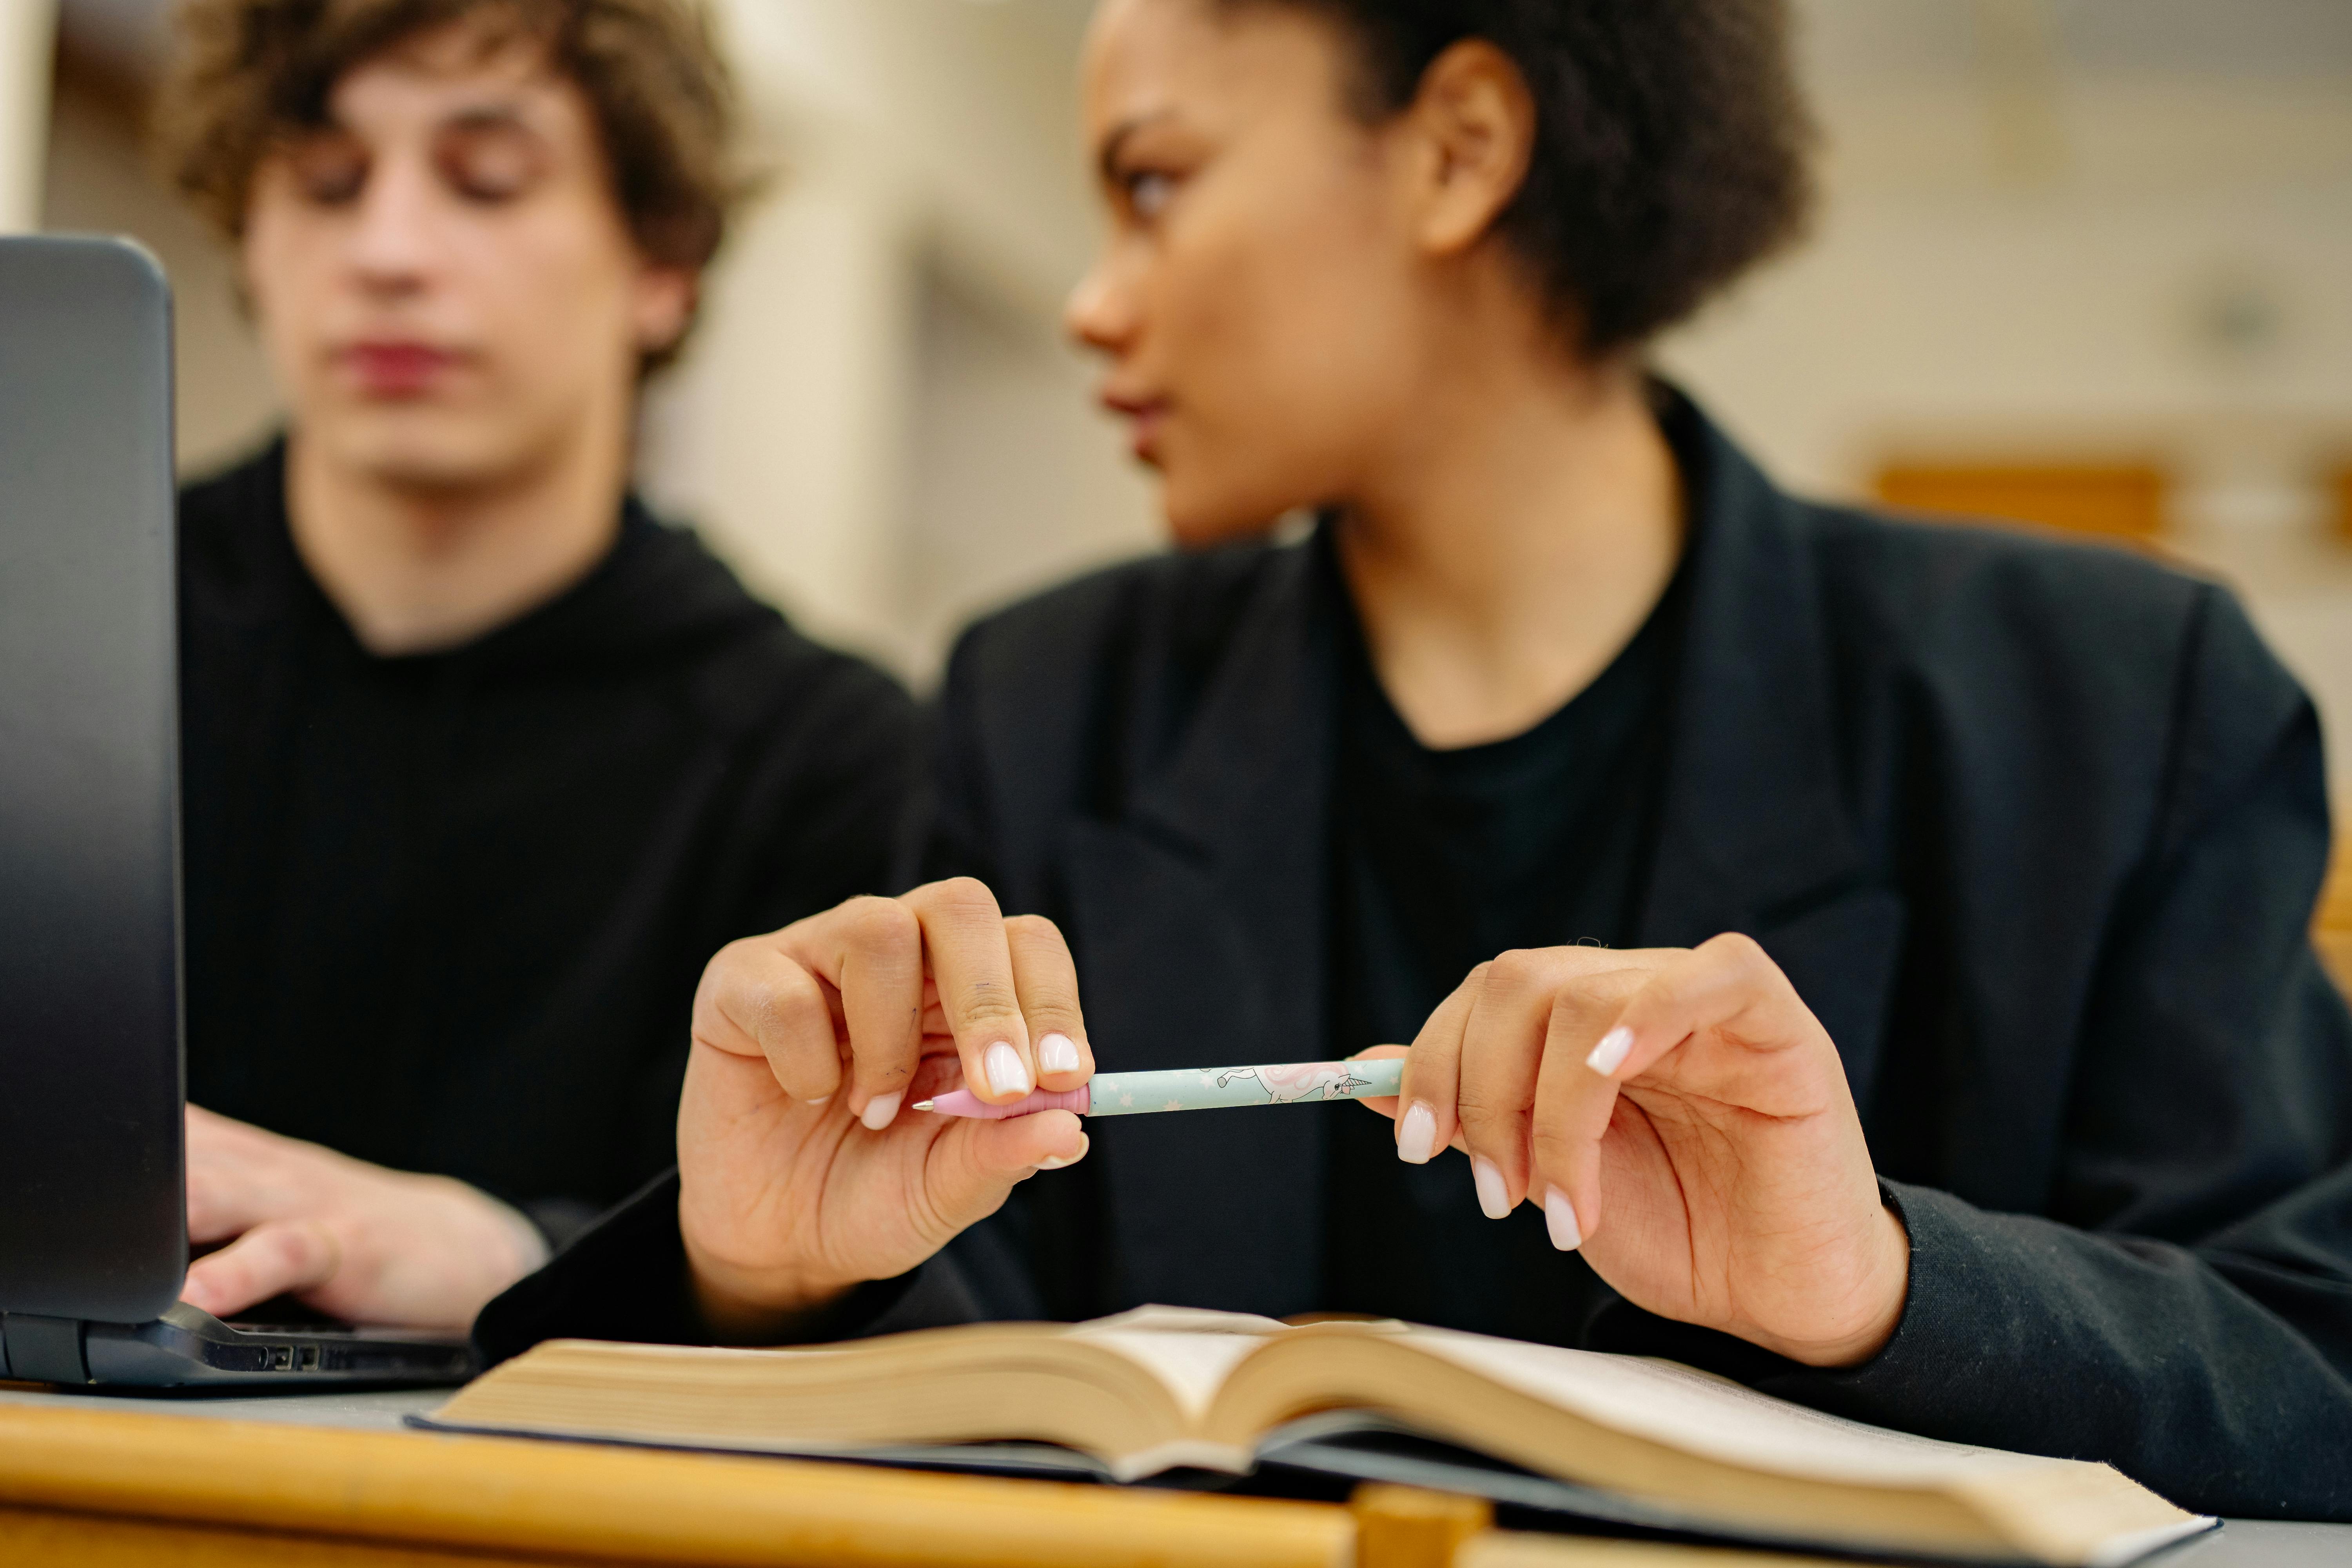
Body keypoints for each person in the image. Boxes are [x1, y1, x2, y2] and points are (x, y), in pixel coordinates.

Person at [476, 0, 2352, 1517]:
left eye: (1154, 184)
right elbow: (981, 1388)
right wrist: (763, 1276)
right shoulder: (1048, 697)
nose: (1089, 298)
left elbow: (2312, 1366)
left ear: (1460, 148)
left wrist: (1881, 1281)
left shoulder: (2113, 700)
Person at [157, 0, 915, 1331]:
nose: (387, 251)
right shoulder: (59, 627)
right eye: (328, 184)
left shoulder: (822, 755)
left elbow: (831, 1290)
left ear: (660, 265)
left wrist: (515, 1255)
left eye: (486, 180)